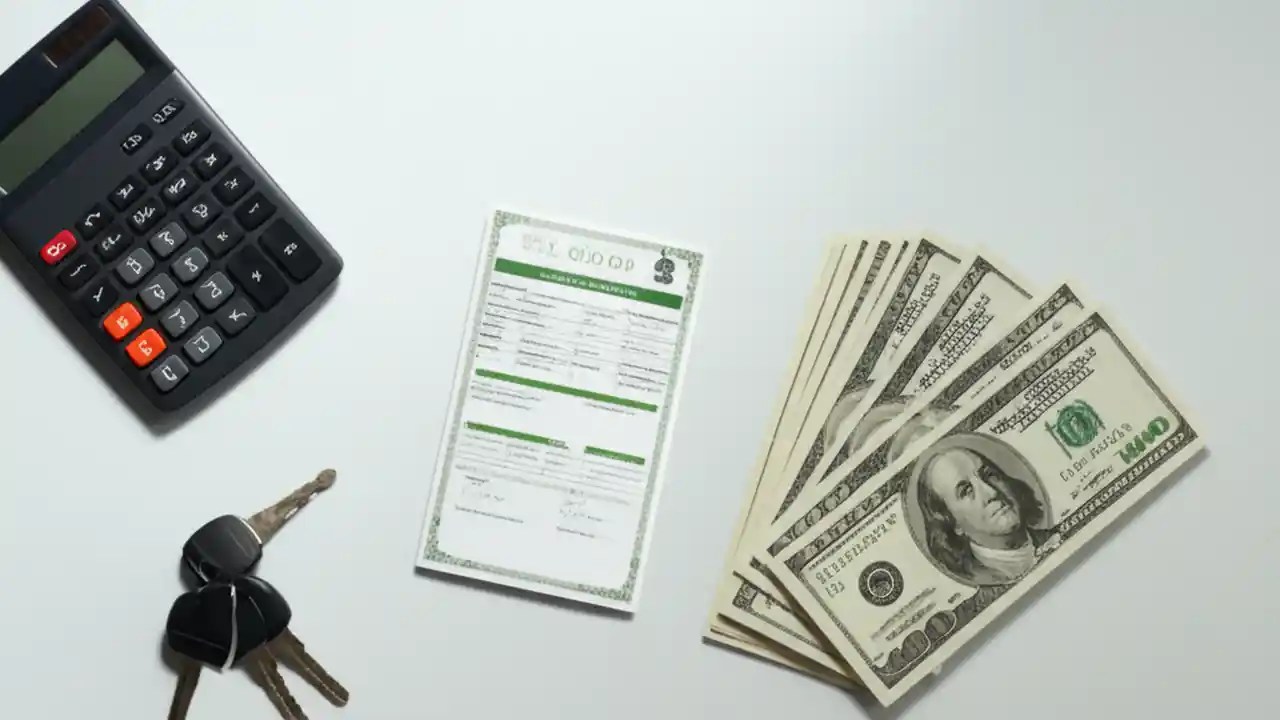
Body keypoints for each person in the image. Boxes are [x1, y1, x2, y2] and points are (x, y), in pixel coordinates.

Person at [917, 446, 1045, 584]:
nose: (991, 492)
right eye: (966, 491)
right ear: (953, 523)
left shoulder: (1055, 535)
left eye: (989, 475)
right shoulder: (978, 581)